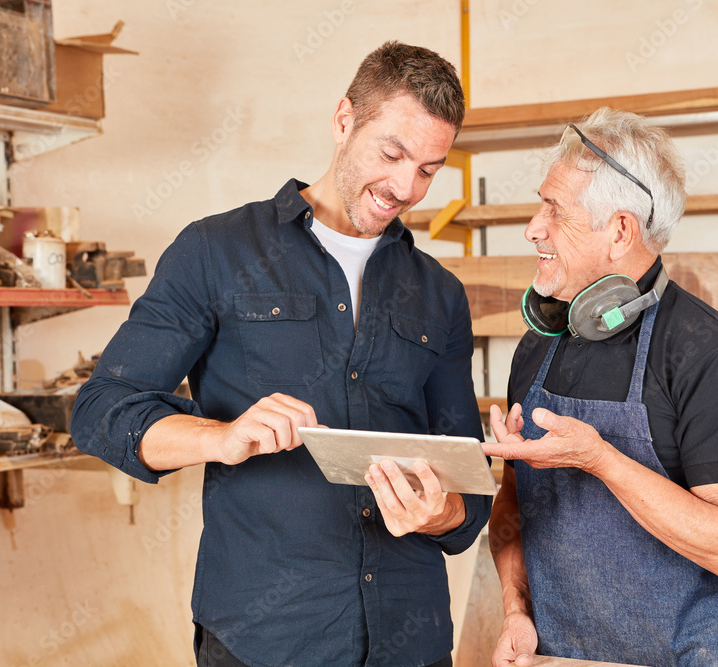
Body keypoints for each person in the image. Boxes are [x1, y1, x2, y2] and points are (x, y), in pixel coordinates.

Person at [71, 41, 491, 667]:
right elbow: (102, 410)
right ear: (344, 119)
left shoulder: (440, 294)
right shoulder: (216, 251)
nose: (406, 187)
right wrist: (220, 437)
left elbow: (469, 485)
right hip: (264, 639)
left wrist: (442, 513)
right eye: (393, 152)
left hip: (411, 637)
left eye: (429, 169)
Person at [483, 108, 718, 666]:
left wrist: (600, 460)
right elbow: (513, 504)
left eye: (554, 210)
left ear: (619, 231)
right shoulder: (540, 345)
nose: (532, 228)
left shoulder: (707, 352)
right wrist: (516, 610)